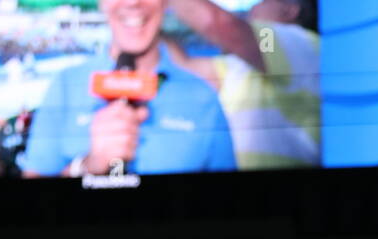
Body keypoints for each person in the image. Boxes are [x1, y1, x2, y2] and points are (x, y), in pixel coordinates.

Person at [20, 0, 235, 178]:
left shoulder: (203, 98)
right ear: (101, 3)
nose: (133, 2)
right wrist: (87, 167)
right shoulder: (65, 86)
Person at [167, 0, 320, 169]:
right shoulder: (241, 65)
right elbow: (183, 65)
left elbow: (221, 24)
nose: (253, 7)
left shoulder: (299, 44)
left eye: (264, 1)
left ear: (289, 11)